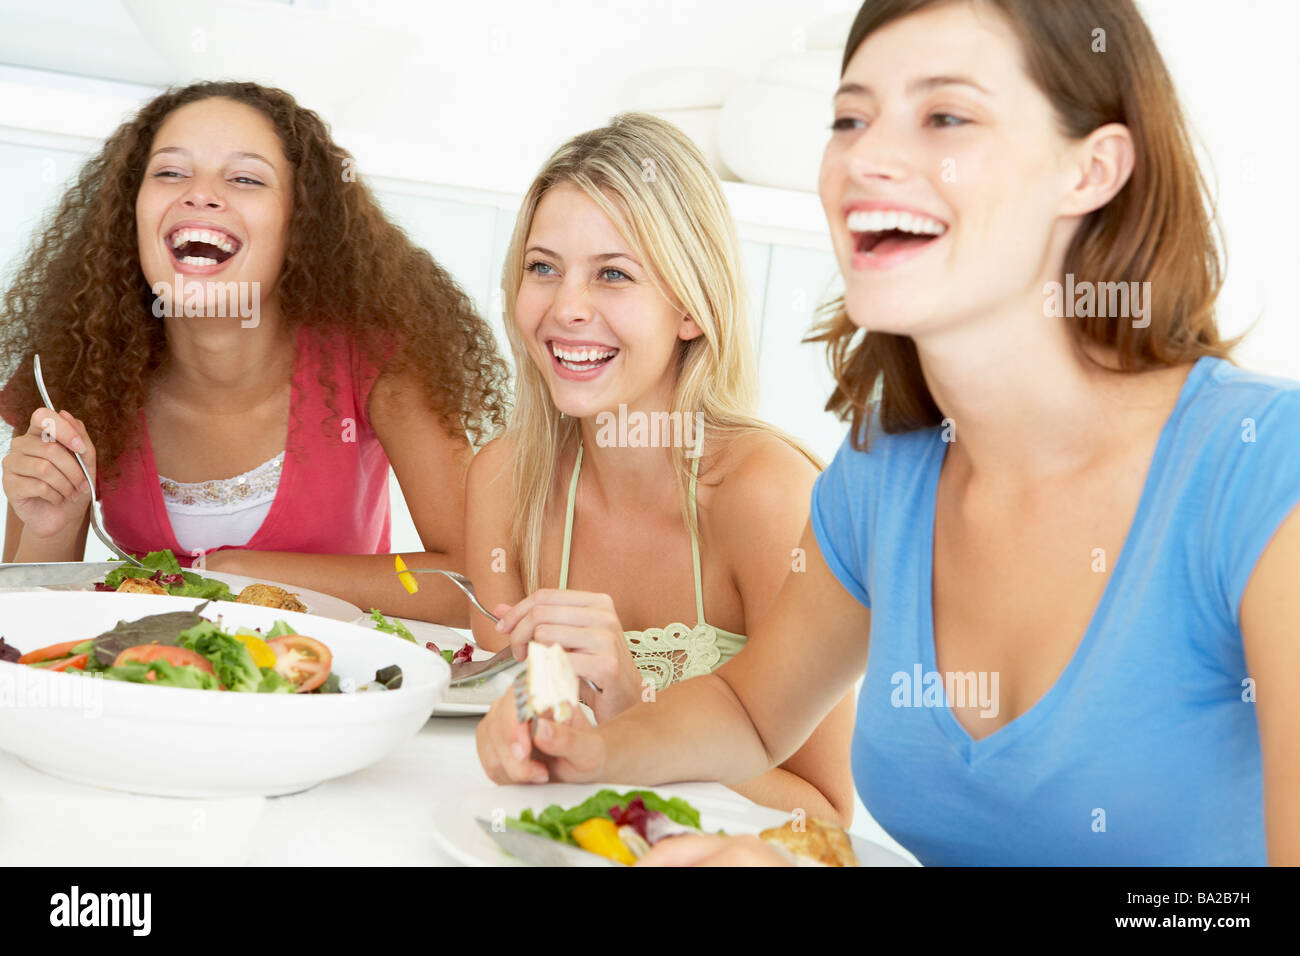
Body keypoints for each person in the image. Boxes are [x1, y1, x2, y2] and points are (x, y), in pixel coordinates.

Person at [477, 0, 1300, 866]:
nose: (867, 156)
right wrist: (596, 747)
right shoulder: (889, 470)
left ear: (1091, 170)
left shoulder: (1262, 474)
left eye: (944, 116)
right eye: (850, 118)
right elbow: (753, 716)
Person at [0, 81, 508, 624]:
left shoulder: (380, 363)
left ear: (303, 224)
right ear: (130, 213)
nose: (200, 194)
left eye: (245, 178)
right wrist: (51, 525)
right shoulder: (85, 363)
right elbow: (22, 619)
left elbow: (476, 585)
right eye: (170, 172)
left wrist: (244, 575)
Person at [469, 113, 855, 824]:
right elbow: (523, 741)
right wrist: (512, 739)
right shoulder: (505, 477)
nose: (566, 307)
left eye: (613, 274)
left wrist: (630, 706)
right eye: (542, 267)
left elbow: (824, 816)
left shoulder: (767, 496)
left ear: (690, 308)